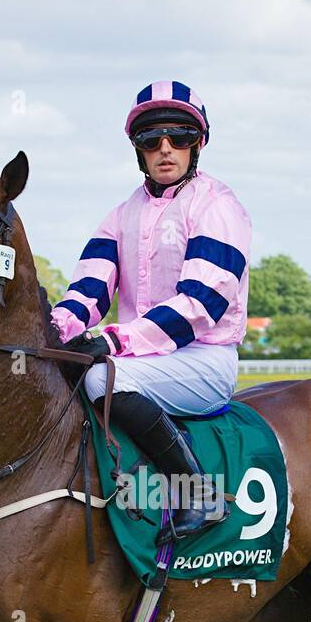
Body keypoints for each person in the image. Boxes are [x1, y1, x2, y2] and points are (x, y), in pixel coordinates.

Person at [50, 81, 251, 544]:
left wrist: (115, 340)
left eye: (178, 138)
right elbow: (88, 290)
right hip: (145, 359)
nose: (165, 150)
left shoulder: (218, 206)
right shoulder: (123, 214)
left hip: (203, 359)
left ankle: (200, 493)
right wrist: (55, 332)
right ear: (137, 150)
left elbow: (200, 305)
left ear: (197, 144)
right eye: (150, 140)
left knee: (101, 378)